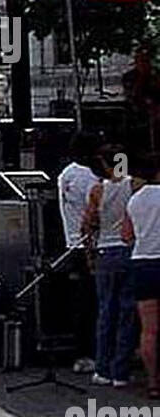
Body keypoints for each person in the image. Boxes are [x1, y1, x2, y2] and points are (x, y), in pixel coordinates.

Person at [82, 145, 137, 387]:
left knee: (106, 311)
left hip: (106, 251)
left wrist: (90, 256)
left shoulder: (98, 190)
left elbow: (88, 226)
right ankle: (121, 371)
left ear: (104, 165)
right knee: (128, 313)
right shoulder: (135, 186)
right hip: (130, 250)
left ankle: (102, 367)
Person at [58, 130, 101, 373]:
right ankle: (93, 351)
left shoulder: (66, 175)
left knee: (80, 302)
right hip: (90, 245)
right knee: (95, 303)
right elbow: (94, 212)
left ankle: (81, 352)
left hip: (71, 241)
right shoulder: (90, 178)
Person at [122, 154, 160, 398]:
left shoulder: (134, 201)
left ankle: (153, 382)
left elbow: (127, 235)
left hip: (143, 263)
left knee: (149, 329)